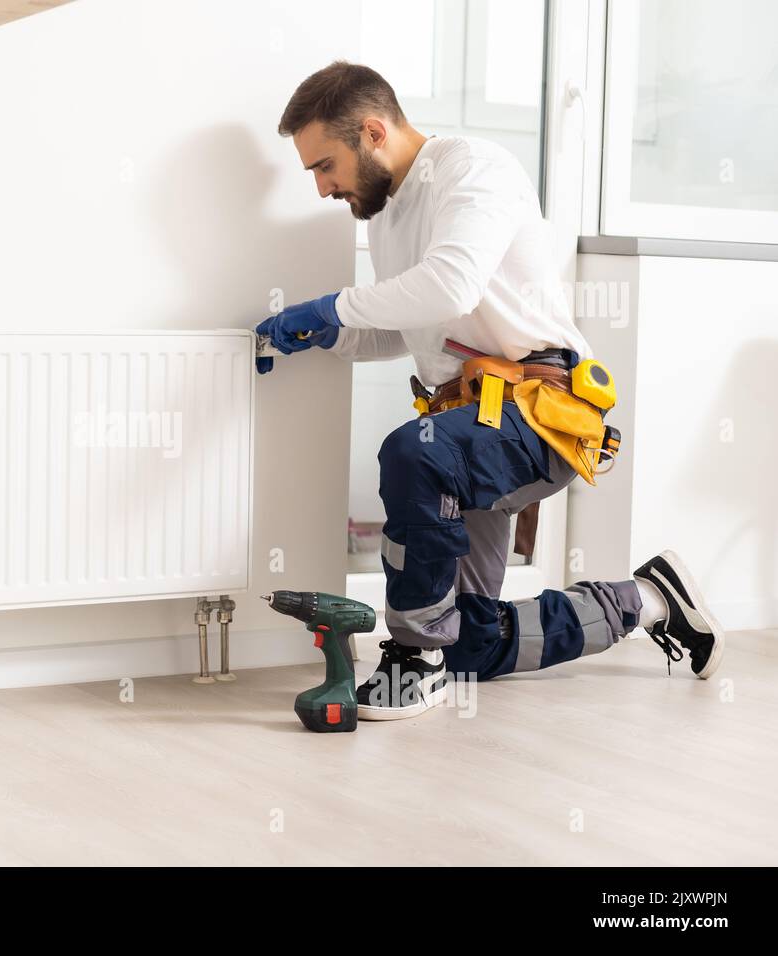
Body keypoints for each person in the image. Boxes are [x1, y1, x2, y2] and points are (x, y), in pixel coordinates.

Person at [256, 61, 724, 721]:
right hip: (467, 428)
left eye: (324, 165)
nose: (322, 186)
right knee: (471, 641)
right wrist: (317, 335)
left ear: (372, 130)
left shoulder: (474, 170)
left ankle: (414, 659)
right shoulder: (385, 217)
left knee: (411, 455)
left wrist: (334, 305)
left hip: (540, 414)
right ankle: (647, 599)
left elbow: (451, 287)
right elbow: (412, 326)